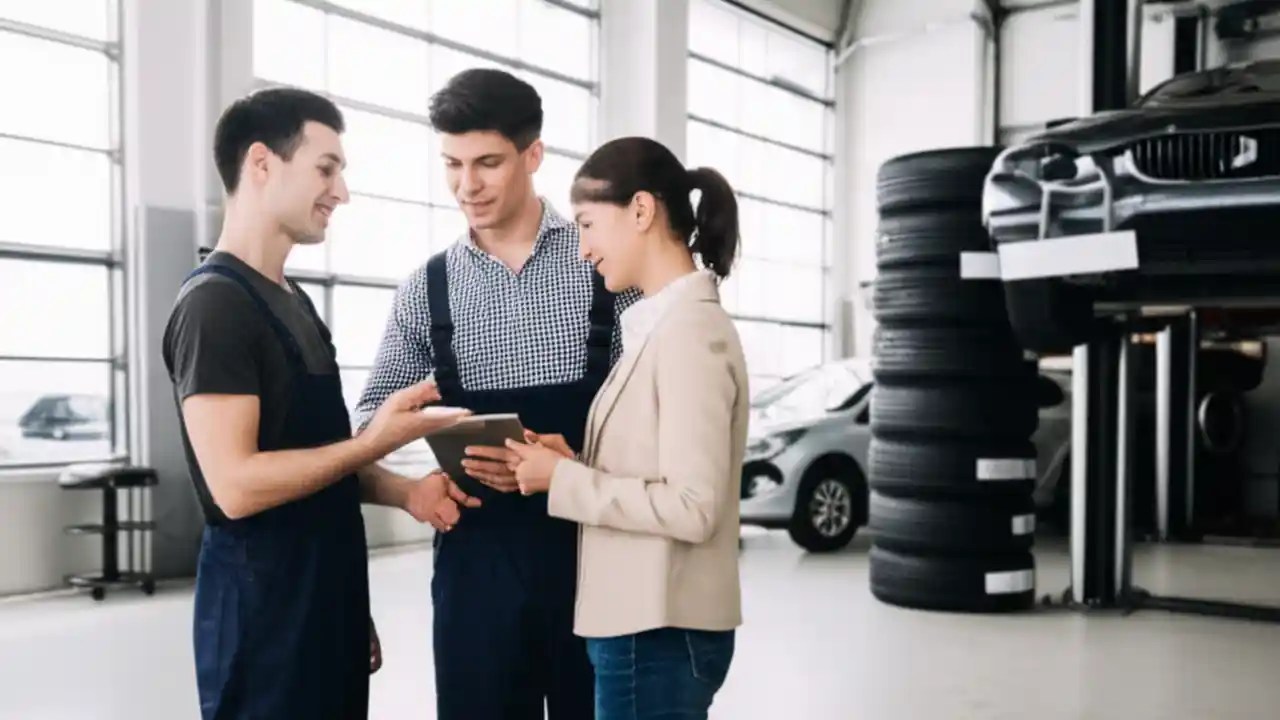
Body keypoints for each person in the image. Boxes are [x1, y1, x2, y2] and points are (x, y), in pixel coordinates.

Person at [163, 87, 477, 720]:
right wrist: (377, 440)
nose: (341, 193)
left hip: (324, 597)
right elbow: (237, 486)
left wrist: (404, 493)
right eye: (326, 169)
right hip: (261, 615)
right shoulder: (214, 306)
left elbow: (318, 458)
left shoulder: (294, 302)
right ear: (261, 163)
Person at [353, 69, 636, 719]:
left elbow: (652, 418)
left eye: (487, 163)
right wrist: (415, 482)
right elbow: (368, 422)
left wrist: (577, 463)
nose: (466, 186)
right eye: (451, 164)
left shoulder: (603, 268)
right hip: (475, 569)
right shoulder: (426, 290)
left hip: (594, 557)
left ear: (533, 155)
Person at [505, 136, 748, 720]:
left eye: (588, 225)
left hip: (657, 632)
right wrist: (575, 462)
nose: (582, 249)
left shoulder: (689, 333)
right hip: (646, 628)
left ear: (641, 210)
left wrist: (564, 481)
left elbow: (693, 506)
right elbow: (658, 467)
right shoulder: (661, 326)